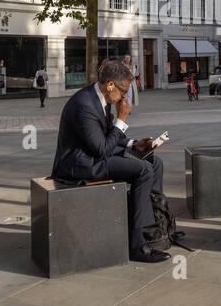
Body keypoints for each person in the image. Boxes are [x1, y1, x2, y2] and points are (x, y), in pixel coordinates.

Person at [50, 59, 176, 263]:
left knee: (154, 162)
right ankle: (137, 244)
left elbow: (108, 136)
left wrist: (134, 144)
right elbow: (102, 149)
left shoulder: (101, 98)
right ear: (110, 85)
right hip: (80, 165)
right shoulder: (84, 105)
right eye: (123, 91)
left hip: (94, 156)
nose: (124, 96)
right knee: (143, 170)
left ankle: (154, 225)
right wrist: (122, 119)